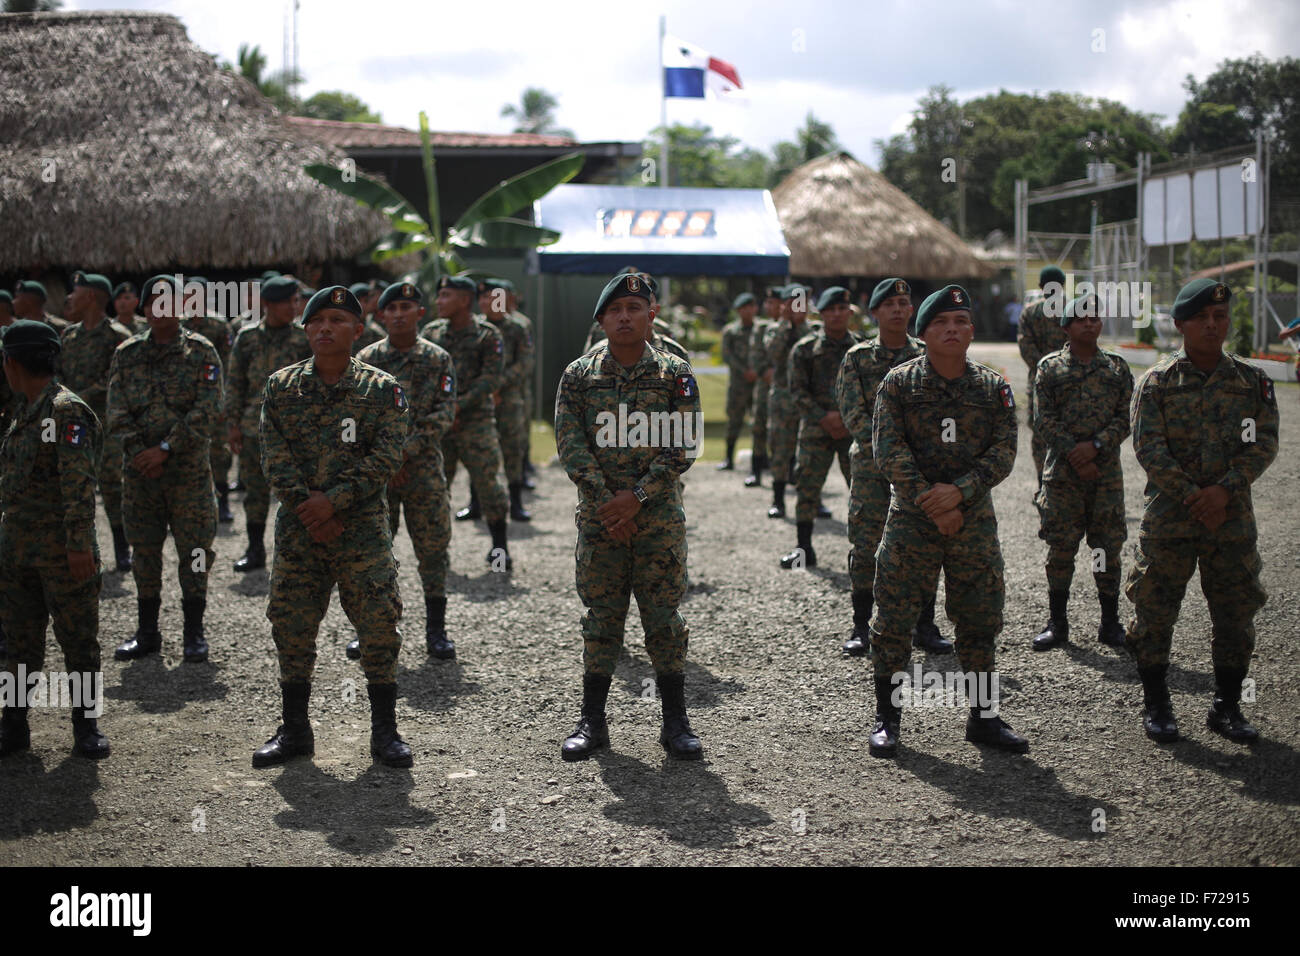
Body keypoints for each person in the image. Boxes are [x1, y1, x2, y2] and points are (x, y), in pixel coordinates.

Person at [253, 286, 413, 768]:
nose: (325, 328)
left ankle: (385, 732)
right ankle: (295, 730)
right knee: (292, 625)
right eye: (316, 320)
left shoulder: (383, 390)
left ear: (359, 331)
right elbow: (272, 457)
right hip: (301, 531)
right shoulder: (281, 387)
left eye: (338, 320)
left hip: (361, 529)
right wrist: (308, 507)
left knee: (378, 625)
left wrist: (334, 503)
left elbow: (387, 455)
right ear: (305, 329)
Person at [868, 284, 1027, 757]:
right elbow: (887, 450)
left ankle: (984, 719)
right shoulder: (898, 384)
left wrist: (960, 492)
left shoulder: (992, 386)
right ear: (925, 332)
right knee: (894, 619)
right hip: (911, 522)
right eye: (941, 323)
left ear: (972, 332)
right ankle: (888, 718)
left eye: (961, 322)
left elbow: (1004, 451)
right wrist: (929, 499)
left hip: (972, 521)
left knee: (979, 619)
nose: (952, 330)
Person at [554, 272, 703, 761]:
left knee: (663, 618)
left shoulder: (675, 374)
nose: (624, 317)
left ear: (651, 316)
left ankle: (675, 724)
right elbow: (571, 447)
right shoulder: (578, 376)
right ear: (601, 320)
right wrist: (608, 501)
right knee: (602, 618)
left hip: (657, 519)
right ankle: (592, 722)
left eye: (634, 308)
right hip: (601, 520)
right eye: (615, 310)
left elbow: (685, 444)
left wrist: (636, 497)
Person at [1125, 279, 1278, 744]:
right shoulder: (1158, 383)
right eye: (1202, 319)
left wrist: (1224, 492)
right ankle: (1157, 704)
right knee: (1154, 608)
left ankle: (1227, 707)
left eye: (1221, 317)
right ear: (1181, 325)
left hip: (1230, 519)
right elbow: (1149, 448)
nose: (1213, 325)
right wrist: (1196, 495)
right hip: (1172, 517)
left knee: (1235, 610)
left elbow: (1262, 444)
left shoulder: (1252, 382)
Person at [0, 320, 109, 759]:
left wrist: (80, 544)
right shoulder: (23, 410)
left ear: (12, 362)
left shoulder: (64, 410)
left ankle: (86, 728)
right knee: (20, 642)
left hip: (64, 553)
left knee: (78, 640)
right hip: (17, 552)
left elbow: (78, 484)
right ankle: (14, 726)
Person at [107, 275, 221, 664]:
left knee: (196, 552)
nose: (161, 309)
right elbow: (116, 411)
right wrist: (142, 452)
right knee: (144, 552)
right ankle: (148, 632)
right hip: (141, 477)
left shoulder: (201, 352)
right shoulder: (126, 353)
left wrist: (167, 449)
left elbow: (207, 410)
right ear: (143, 308)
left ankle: (195, 632)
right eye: (153, 301)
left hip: (187, 474)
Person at [837, 278, 951, 656]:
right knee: (866, 543)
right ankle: (861, 624)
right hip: (871, 468)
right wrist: (889, 453)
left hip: (920, 471)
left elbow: (939, 410)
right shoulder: (857, 358)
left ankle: (925, 624)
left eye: (904, 303)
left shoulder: (926, 354)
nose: (899, 310)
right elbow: (853, 413)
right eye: (890, 304)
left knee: (923, 545)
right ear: (874, 313)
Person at [356, 281, 458, 660]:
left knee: (432, 549)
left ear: (420, 314)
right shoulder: (366, 359)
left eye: (407, 307)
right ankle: (374, 627)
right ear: (380, 316)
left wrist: (405, 452)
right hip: (377, 475)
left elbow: (443, 413)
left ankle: (436, 631)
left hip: (424, 469)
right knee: (374, 551)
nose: (399, 314)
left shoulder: (437, 359)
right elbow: (358, 418)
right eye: (391, 308)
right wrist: (386, 459)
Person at [1030, 292, 1133, 651]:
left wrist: (1097, 447)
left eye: (1095, 317)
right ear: (1067, 326)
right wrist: (1076, 453)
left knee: (1106, 548)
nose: (1090, 323)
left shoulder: (1117, 368)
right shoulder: (1049, 368)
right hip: (1063, 477)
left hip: (1105, 477)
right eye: (1081, 318)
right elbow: (1043, 419)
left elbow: (1126, 417)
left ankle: (1109, 622)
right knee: (1061, 549)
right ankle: (1057, 624)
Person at [421, 275, 513, 568]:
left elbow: (491, 378)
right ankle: (437, 554)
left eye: (445, 295)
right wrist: (444, 410)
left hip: (476, 422)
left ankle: (500, 550)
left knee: (489, 486)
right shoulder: (431, 333)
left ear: (464, 300)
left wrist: (459, 406)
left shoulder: (487, 335)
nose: (439, 302)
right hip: (439, 423)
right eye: (439, 296)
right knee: (436, 488)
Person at [225, 274, 311, 571]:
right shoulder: (247, 337)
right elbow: (235, 382)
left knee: (299, 489)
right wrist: (232, 424)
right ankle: (255, 549)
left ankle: (299, 553)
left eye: (295, 301)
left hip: (296, 429)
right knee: (255, 491)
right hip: (254, 427)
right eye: (286, 302)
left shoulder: (303, 337)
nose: (293, 307)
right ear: (268, 305)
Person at [780, 287, 865, 568]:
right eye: (832, 310)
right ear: (823, 314)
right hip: (816, 429)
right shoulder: (805, 350)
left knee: (862, 490)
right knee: (807, 488)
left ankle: (864, 551)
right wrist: (824, 417)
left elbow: (869, 393)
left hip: (852, 431)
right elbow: (797, 391)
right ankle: (804, 549)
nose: (838, 314)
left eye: (843, 309)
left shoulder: (863, 351)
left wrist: (844, 418)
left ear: (850, 312)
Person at [58, 271, 134, 571]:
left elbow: (116, 378)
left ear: (90, 296)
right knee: (75, 485)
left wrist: (80, 396)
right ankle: (81, 546)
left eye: (75, 292)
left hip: (107, 424)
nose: (70, 298)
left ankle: (121, 545)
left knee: (113, 486)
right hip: (73, 425)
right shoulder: (69, 336)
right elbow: (58, 373)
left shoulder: (118, 336)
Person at [478, 278, 534, 522]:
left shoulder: (517, 328)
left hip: (510, 398)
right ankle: (475, 501)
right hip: (480, 399)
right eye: (483, 298)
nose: (488, 303)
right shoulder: (475, 329)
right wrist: (486, 389)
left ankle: (516, 503)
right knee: (479, 449)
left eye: (492, 297)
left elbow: (525, 363)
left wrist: (497, 385)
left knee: (513, 448)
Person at [763, 284, 820, 518]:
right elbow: (774, 353)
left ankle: (813, 498)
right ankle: (778, 499)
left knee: (812, 450)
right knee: (780, 448)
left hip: (808, 399)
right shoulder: (774, 330)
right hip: (783, 398)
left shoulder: (814, 331)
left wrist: (800, 324)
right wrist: (787, 323)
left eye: (802, 302)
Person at [182, 278, 236, 524]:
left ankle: (222, 502)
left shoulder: (218, 325)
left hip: (213, 396)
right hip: (184, 400)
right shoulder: (179, 325)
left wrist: (224, 400)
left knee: (218, 451)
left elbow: (228, 364)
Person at [1018, 266, 1069, 487]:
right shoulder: (1074, 310)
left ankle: (1044, 484)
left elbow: (1025, 346)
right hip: (1070, 381)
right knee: (1069, 430)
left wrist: (1043, 370)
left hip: (1039, 382)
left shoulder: (1030, 312)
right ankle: (1064, 484)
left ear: (1040, 286)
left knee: (1040, 435)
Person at [718, 293, 766, 479]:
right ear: (738, 310)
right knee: (734, 420)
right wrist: (745, 371)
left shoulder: (762, 329)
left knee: (760, 421)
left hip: (758, 383)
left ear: (755, 308)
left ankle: (762, 458)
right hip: (739, 383)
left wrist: (757, 371)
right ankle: (728, 457)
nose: (748, 311)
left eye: (751, 306)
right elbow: (727, 355)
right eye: (743, 308)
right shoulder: (731, 331)